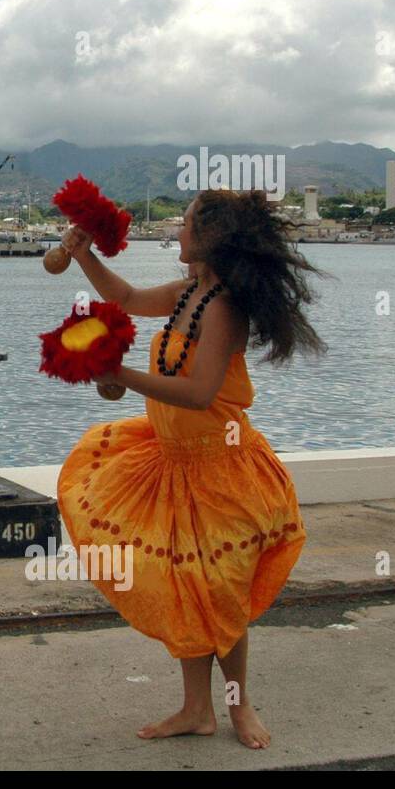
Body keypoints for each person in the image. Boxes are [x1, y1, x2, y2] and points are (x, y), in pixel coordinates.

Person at [56, 189, 327, 750]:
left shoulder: (223, 307)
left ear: (212, 239)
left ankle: (238, 705)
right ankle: (196, 709)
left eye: (184, 226)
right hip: (171, 463)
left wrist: (118, 372)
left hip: (221, 470)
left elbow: (201, 393)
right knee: (184, 587)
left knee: (222, 594)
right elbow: (126, 296)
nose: (177, 233)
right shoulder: (189, 295)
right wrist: (84, 256)